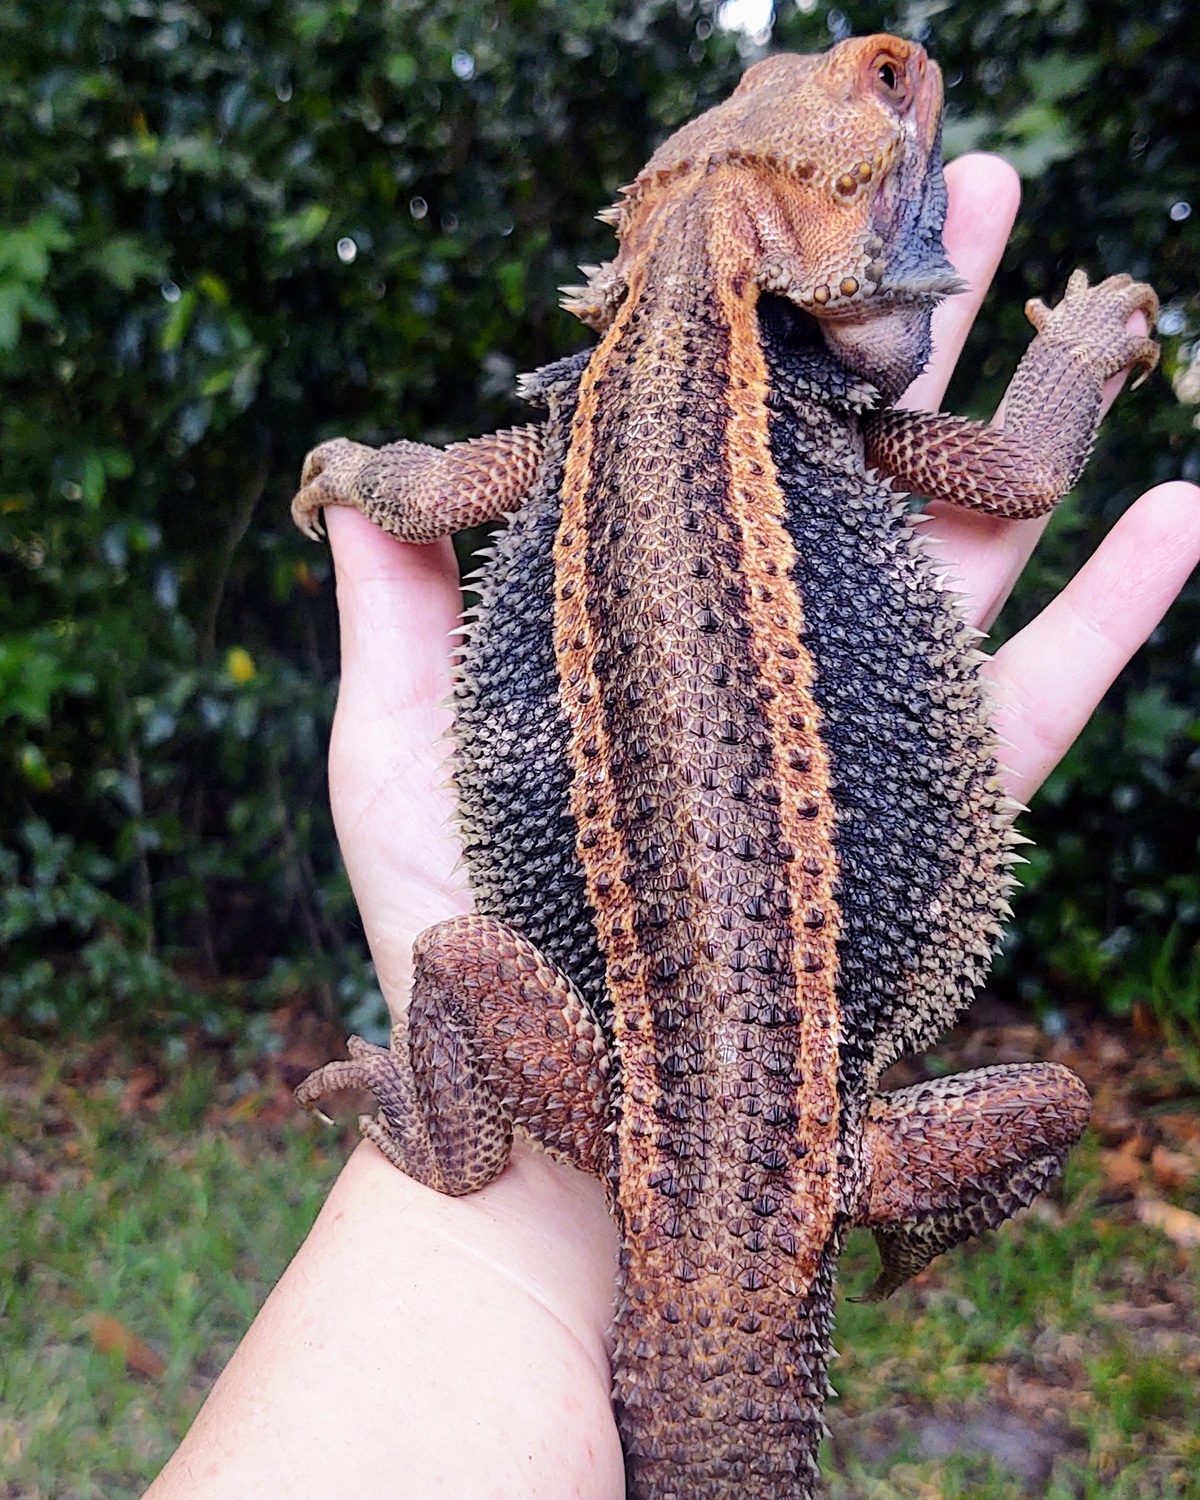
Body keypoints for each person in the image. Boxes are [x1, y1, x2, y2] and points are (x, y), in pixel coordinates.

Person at [145, 154, 1200, 1500]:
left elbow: (420, 492)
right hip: (825, 1152)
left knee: (461, 960)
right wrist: (1087, 350)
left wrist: (360, 470)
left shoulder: (572, 434)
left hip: (632, 1109)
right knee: (1046, 1106)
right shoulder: (830, 424)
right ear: (797, 251)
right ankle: (873, 1232)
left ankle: (458, 1146)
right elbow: (1024, 466)